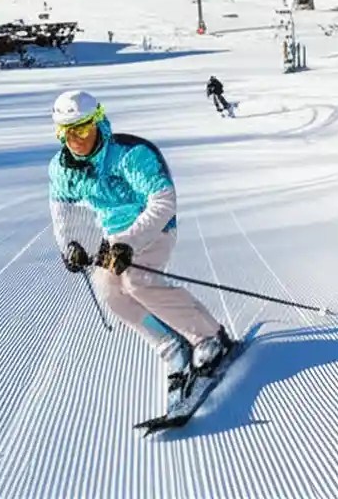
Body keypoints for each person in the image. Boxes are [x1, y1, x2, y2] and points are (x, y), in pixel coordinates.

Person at [48, 90, 234, 410]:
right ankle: (169, 344)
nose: (74, 139)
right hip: (115, 235)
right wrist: (71, 247)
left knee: (135, 280)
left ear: (98, 123)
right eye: (65, 132)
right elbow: (61, 210)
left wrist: (128, 244)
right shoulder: (63, 168)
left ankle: (209, 338)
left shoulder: (131, 154)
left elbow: (163, 202)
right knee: (109, 292)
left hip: (154, 226)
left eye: (81, 129)